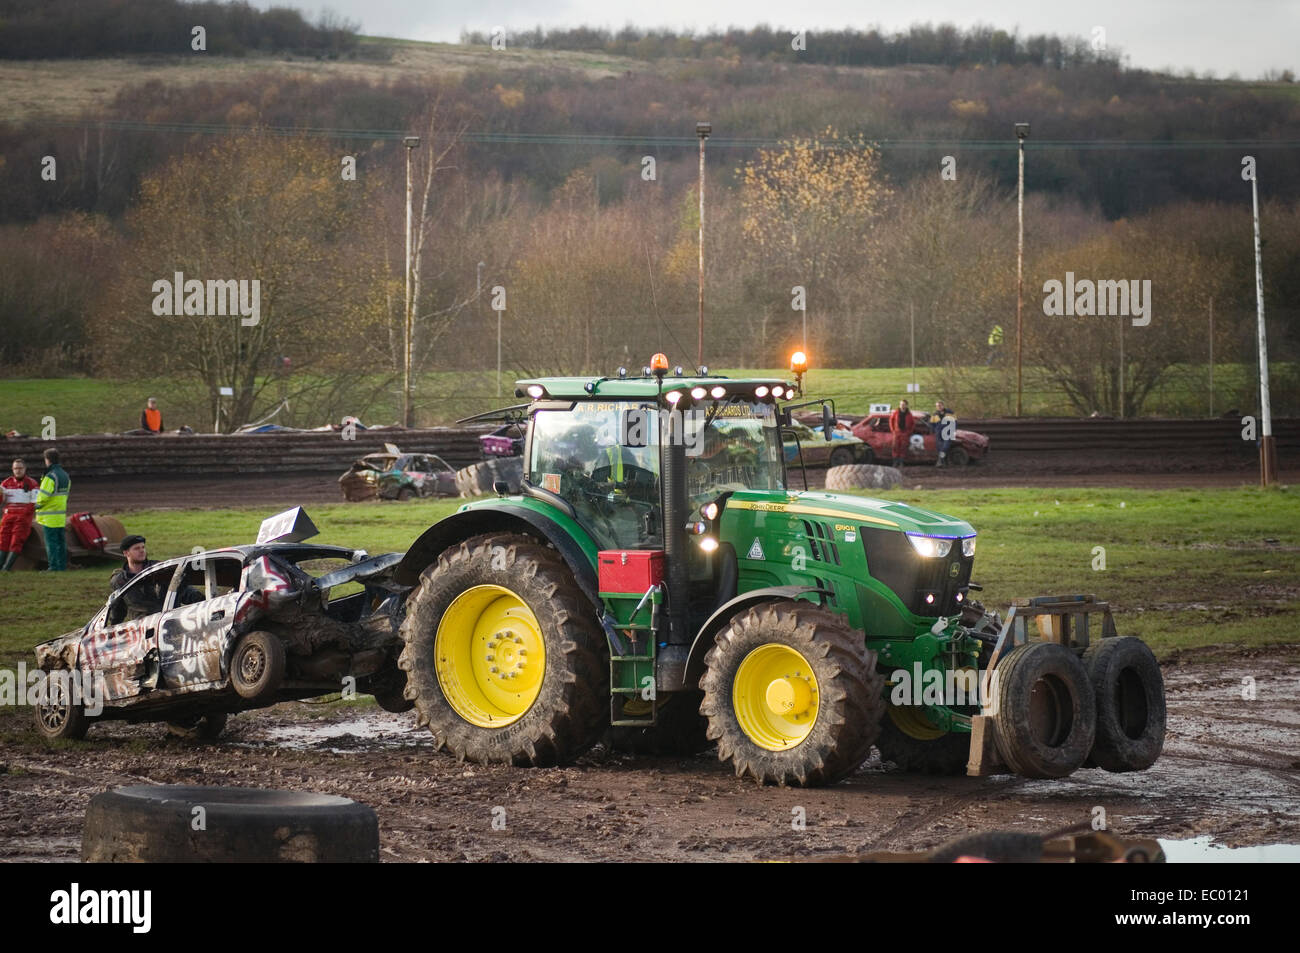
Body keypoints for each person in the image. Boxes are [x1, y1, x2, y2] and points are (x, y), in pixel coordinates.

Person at [35, 448, 70, 572]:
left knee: (51, 544)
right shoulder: (65, 475)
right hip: (60, 516)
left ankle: (53, 567)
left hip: (49, 517)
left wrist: (35, 505)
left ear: (47, 460)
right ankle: (62, 566)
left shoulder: (50, 476)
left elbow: (43, 496)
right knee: (61, 543)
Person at [1, 458, 39, 571]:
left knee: (16, 541)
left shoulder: (32, 483)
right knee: (3, 540)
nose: (18, 471)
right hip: (8, 516)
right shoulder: (6, 483)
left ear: (25, 469)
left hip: (22, 517)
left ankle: (6, 568)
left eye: (20, 468)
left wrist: (23, 514)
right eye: (15, 468)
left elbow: (34, 502)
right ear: (12, 469)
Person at [930, 401, 957, 467]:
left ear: (943, 405)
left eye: (940, 405)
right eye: (937, 406)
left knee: (945, 447)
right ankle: (944, 463)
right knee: (940, 448)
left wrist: (953, 430)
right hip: (938, 433)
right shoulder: (934, 414)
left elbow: (955, 422)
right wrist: (934, 431)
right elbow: (932, 424)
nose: (938, 407)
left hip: (948, 432)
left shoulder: (950, 412)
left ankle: (940, 460)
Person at [889, 400, 915, 469]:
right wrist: (893, 430)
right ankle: (895, 462)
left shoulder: (909, 414)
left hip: (905, 433)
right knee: (895, 447)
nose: (902, 406)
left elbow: (913, 423)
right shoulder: (896, 412)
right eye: (901, 404)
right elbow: (891, 420)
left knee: (903, 447)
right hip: (897, 432)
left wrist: (909, 432)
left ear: (906, 405)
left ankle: (901, 462)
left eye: (903, 404)